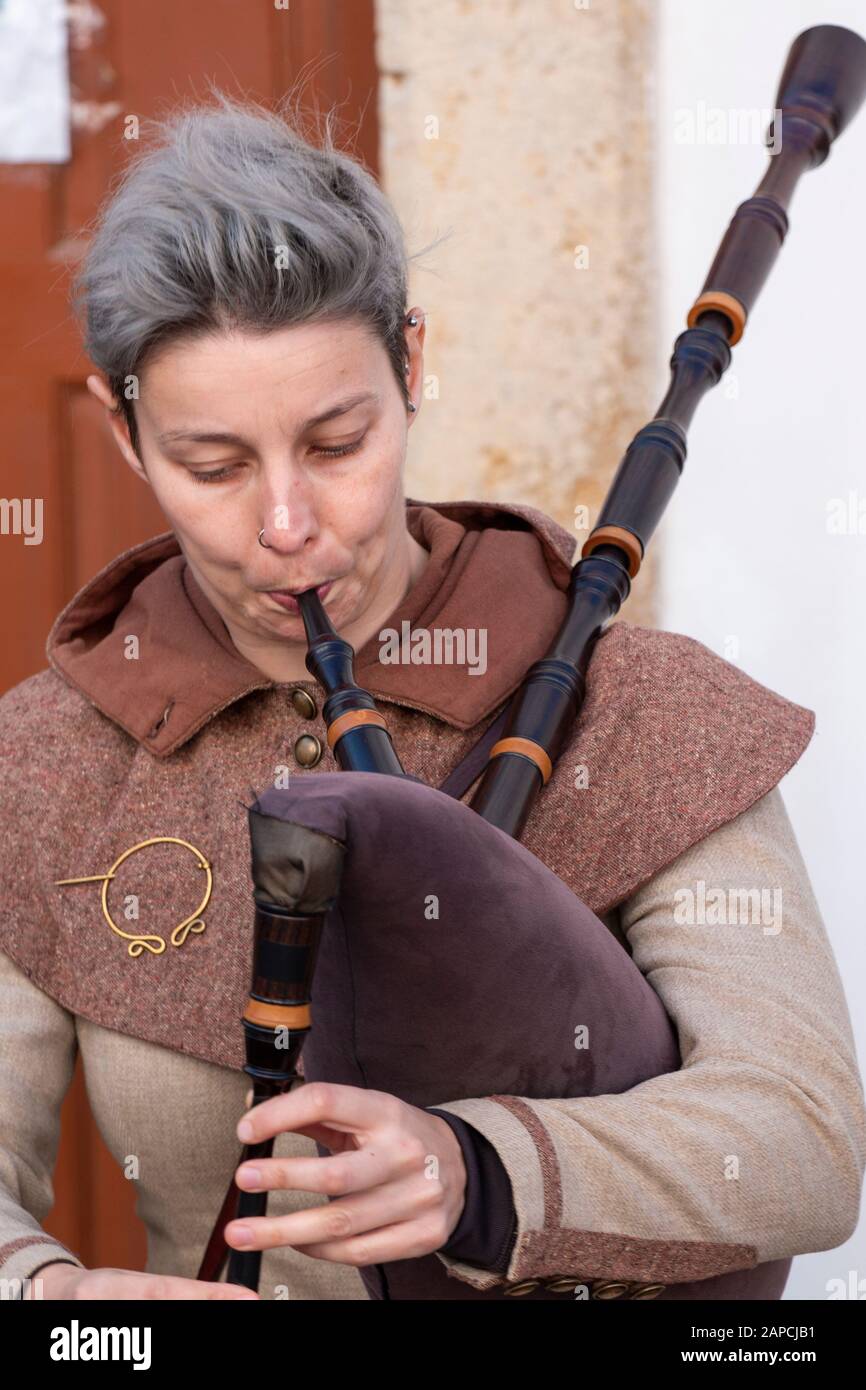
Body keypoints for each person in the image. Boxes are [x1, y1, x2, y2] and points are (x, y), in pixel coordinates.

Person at [0, 94, 863, 1303]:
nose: (288, 528)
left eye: (338, 440)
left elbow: (801, 1141)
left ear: (410, 363)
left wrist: (483, 1170)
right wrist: (57, 1304)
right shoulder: (47, 756)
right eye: (214, 466)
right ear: (123, 431)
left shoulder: (638, 707)